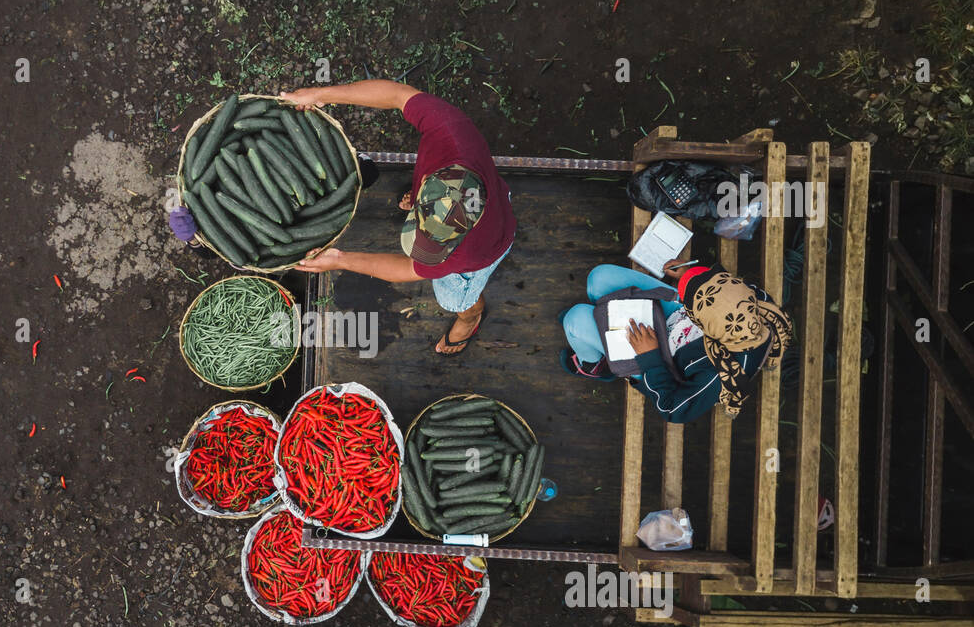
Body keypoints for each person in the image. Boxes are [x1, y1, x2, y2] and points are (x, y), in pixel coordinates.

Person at [279, 80, 516, 356]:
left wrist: (340, 259)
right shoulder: (452, 131)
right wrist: (321, 93)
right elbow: (398, 94)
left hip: (488, 249)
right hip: (492, 196)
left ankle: (471, 318)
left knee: (454, 299)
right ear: (431, 181)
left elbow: (407, 269)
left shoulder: (461, 254)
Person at [560, 261, 793, 424]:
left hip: (662, 360)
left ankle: (594, 363)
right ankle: (601, 321)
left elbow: (673, 409)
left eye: (691, 300)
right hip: (678, 321)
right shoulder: (749, 300)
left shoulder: (718, 374)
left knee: (576, 318)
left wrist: (649, 357)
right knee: (598, 278)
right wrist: (690, 275)